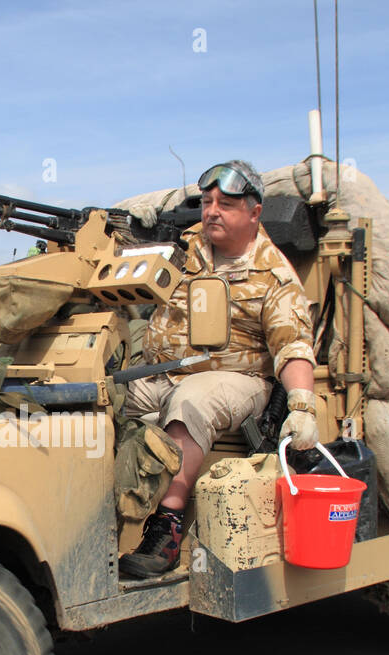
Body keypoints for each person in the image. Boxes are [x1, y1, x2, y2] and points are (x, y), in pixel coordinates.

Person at [119, 160, 318, 578]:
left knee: (192, 400)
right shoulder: (185, 248)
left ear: (254, 213)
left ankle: (167, 526)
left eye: (226, 204)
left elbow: (292, 345)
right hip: (160, 372)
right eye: (207, 202)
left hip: (238, 380)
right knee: (102, 397)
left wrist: (302, 405)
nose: (212, 212)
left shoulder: (274, 275)